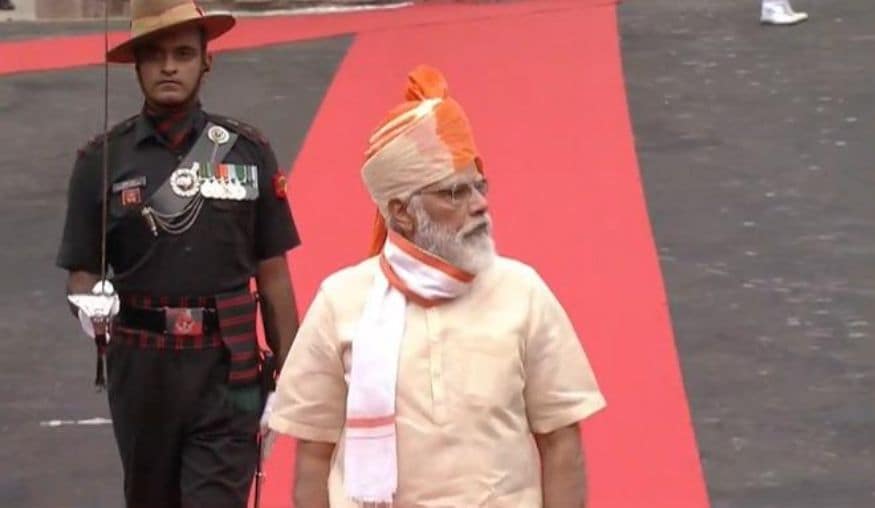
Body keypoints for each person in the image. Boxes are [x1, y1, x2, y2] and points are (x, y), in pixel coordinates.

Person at [268, 65, 606, 507]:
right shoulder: (342, 300)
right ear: (402, 212)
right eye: (454, 194)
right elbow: (313, 455)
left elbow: (561, 441)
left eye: (479, 187)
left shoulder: (523, 292)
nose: (480, 205)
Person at [56, 1, 301, 507]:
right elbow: (81, 272)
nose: (170, 66)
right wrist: (90, 308)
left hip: (228, 370)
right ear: (138, 65)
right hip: (142, 373)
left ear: (206, 61)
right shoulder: (100, 161)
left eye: (184, 53)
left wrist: (291, 376)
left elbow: (274, 275)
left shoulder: (247, 152)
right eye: (157, 55)